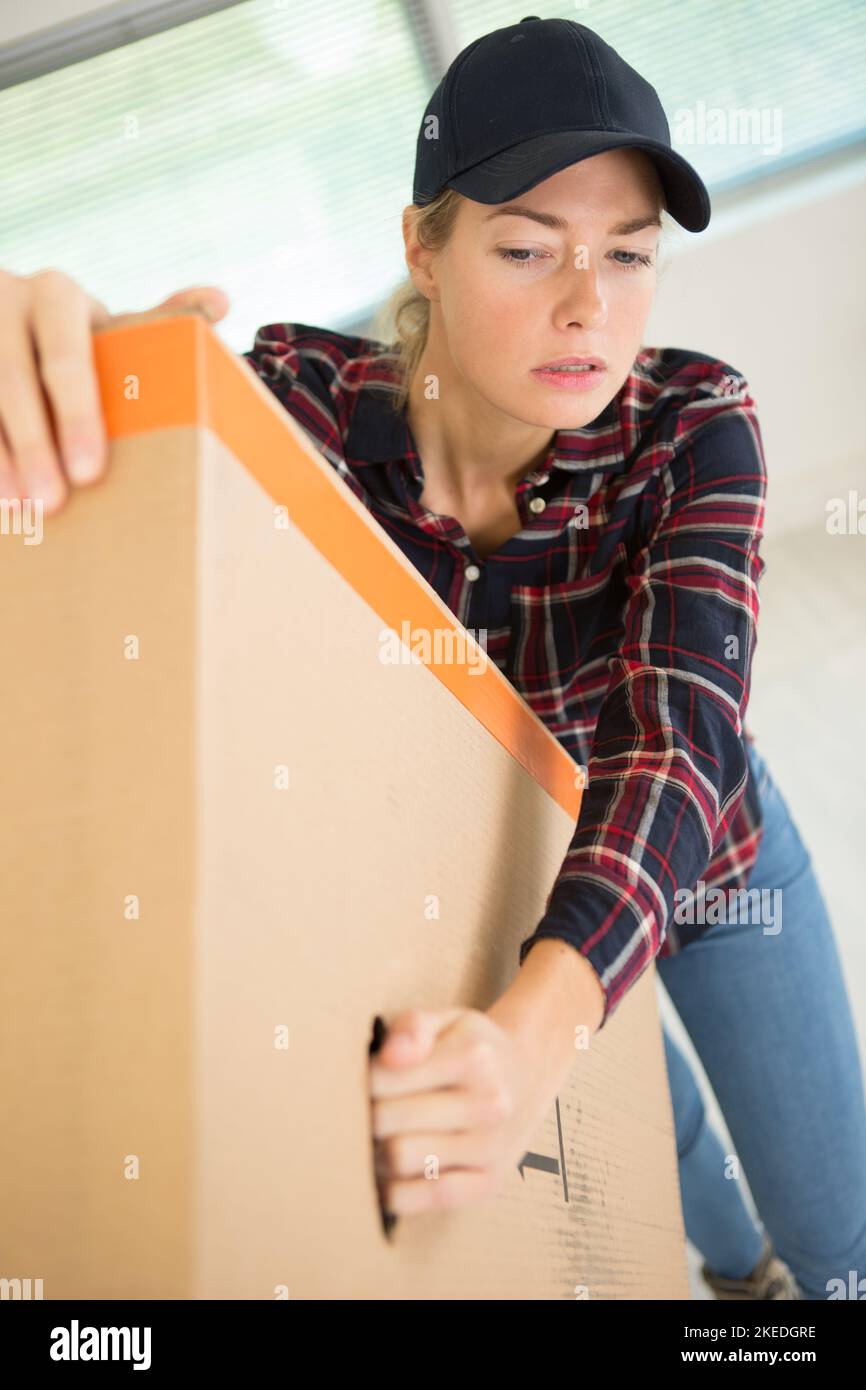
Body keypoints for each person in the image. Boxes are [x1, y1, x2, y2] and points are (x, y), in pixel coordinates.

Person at [1, 16, 864, 1301]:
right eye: (525, 248)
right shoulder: (306, 399)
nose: (588, 306)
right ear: (423, 246)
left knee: (835, 1228)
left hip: (700, 849)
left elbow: (679, 740)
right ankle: (738, 1290)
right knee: (682, 1166)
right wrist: (71, 355)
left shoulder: (694, 421)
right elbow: (160, 434)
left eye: (626, 257)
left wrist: (532, 1031)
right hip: (505, 874)